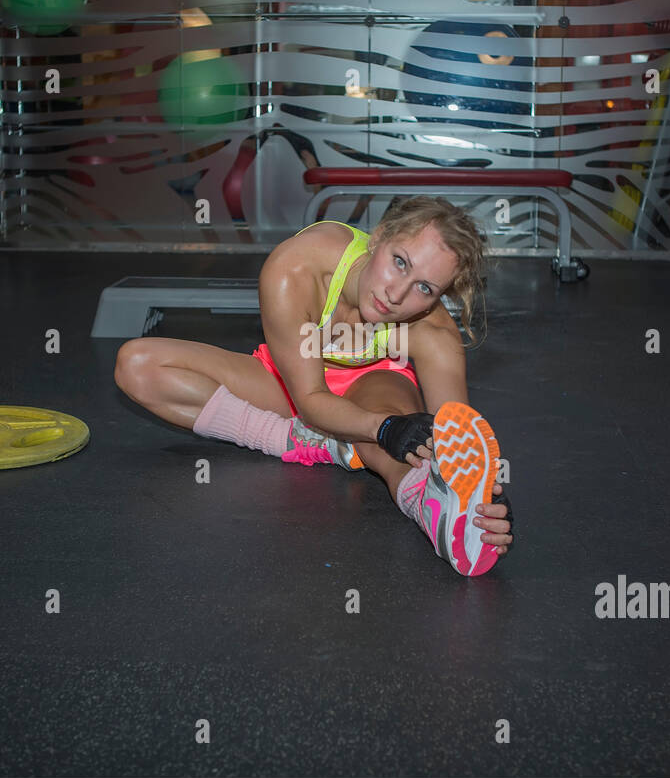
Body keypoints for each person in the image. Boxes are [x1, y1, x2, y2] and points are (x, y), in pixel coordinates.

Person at [114, 196, 514, 577]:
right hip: (294, 383)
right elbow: (309, 399)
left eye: (425, 288)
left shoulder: (433, 330)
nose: (397, 293)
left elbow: (455, 440)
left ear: (436, 298)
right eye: (399, 262)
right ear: (379, 237)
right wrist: (381, 429)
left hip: (374, 381)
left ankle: (428, 510)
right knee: (138, 366)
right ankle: (312, 438)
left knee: (407, 445)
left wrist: (482, 501)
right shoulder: (296, 270)